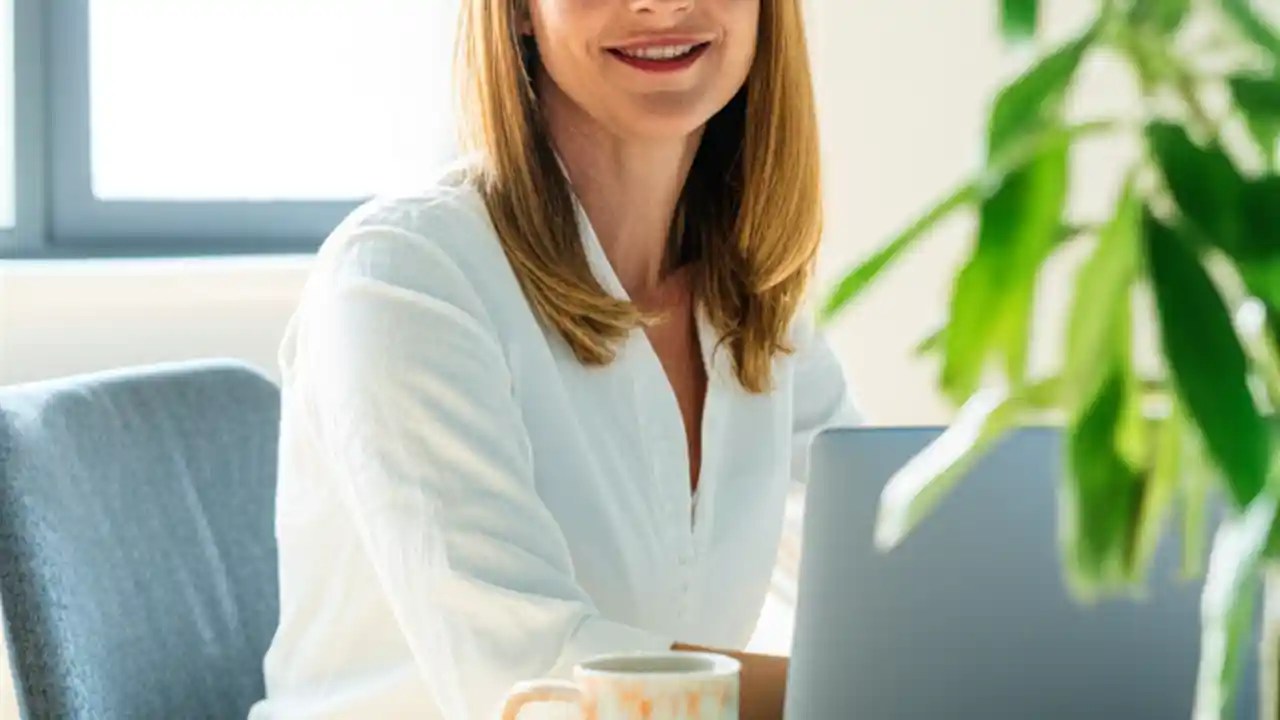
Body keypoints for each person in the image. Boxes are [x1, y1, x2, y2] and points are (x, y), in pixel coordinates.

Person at [250, 0, 857, 718]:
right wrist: (881, 693)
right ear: (518, 14)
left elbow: (886, 562)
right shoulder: (402, 276)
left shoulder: (754, 301)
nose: (661, 4)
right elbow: (531, 681)